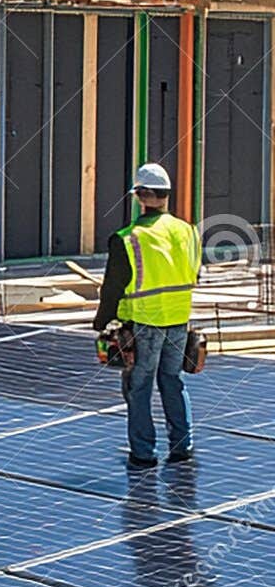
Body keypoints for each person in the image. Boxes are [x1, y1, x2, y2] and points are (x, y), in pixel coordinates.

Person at [94, 161, 202, 467]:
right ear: (166, 195)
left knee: (139, 387)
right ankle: (183, 446)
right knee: (173, 380)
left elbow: (112, 288)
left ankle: (143, 454)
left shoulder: (128, 238)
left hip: (144, 323)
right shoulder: (188, 231)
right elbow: (195, 273)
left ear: (139, 196)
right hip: (180, 320)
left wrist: (102, 323)